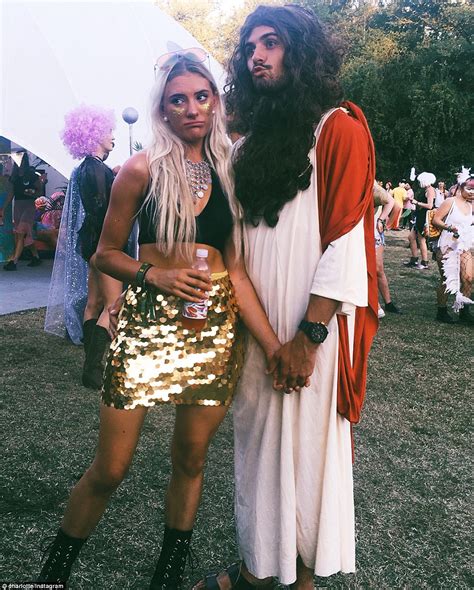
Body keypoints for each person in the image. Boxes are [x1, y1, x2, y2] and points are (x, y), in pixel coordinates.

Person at [37, 53, 282, 589]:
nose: (192, 108)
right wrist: (155, 276)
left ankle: (166, 576)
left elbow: (239, 272)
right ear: (163, 109)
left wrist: (273, 345)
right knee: (111, 468)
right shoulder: (141, 168)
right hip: (147, 326)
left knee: (191, 459)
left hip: (212, 328)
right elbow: (104, 254)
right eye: (179, 99)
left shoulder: (231, 173)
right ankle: (51, 576)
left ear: (215, 103)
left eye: (202, 96)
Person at [195, 6, 378, 587]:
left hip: (313, 333)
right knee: (258, 452)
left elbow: (346, 241)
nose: (257, 56)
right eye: (251, 47)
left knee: (308, 455)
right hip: (260, 333)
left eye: (271, 43)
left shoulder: (337, 129)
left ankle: (298, 578)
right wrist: (271, 342)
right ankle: (257, 568)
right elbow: (237, 258)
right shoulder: (242, 147)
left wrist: (307, 338)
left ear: (301, 53)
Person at [44, 105, 123, 389]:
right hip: (104, 244)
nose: (113, 136)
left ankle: (91, 363)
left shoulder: (85, 168)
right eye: (108, 131)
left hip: (90, 243)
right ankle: (93, 368)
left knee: (94, 302)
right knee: (113, 305)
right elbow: (103, 210)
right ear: (94, 134)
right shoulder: (97, 169)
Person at [433, 168, 473, 324]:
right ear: (461, 187)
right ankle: (441, 311)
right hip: (447, 245)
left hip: (464, 245)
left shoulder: (471, 205)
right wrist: (450, 227)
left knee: (468, 277)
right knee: (446, 278)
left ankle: (464, 310)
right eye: (469, 189)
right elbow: (436, 220)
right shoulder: (450, 202)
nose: (472, 193)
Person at [2, 153, 43, 270]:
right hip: (18, 206)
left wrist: (32, 193)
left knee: (20, 232)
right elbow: (11, 194)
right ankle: (35, 257)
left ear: (25, 161)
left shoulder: (32, 175)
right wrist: (3, 209)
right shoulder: (14, 177)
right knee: (24, 233)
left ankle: (14, 261)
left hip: (29, 206)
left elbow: (40, 192)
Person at [373, 183, 401, 317]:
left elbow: (395, 205)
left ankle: (382, 303)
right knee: (377, 270)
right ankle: (384, 303)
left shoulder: (373, 186)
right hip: (373, 233)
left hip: (372, 232)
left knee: (376, 269)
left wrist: (382, 221)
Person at [404, 172, 436, 269]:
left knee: (421, 239)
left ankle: (424, 262)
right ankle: (414, 259)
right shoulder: (426, 190)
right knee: (411, 237)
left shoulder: (430, 190)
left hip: (424, 217)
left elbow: (430, 205)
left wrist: (417, 202)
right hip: (419, 215)